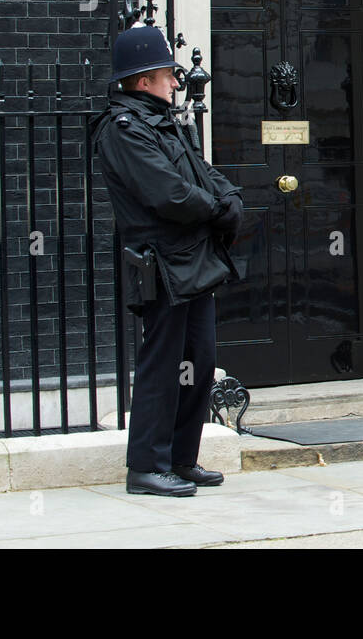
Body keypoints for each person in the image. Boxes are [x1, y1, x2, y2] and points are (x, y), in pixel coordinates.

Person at [91, 25, 244, 497]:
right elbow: (167, 193)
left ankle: (182, 458)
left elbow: (200, 172)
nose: (177, 82)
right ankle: (146, 466)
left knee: (200, 362)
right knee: (162, 364)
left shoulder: (164, 121)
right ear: (142, 80)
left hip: (193, 261)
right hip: (159, 264)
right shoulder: (122, 130)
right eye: (168, 75)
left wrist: (229, 196)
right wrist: (217, 210)